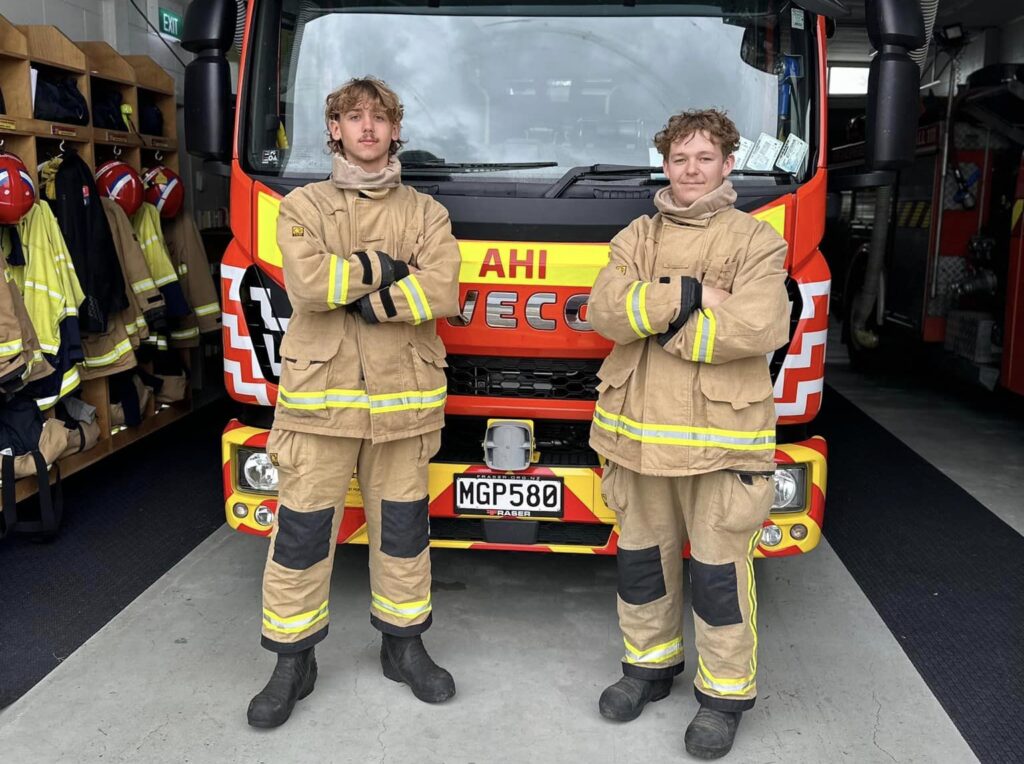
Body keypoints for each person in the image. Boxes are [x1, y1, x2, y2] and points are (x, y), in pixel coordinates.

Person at [247, 76, 462, 728]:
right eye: (352, 118)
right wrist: (391, 271)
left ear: (396, 131)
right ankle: (293, 659)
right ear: (334, 130)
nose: (367, 128)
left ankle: (404, 646)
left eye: (379, 118)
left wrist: (357, 283)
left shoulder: (427, 212)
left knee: (402, 534)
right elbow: (309, 286)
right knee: (302, 537)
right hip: (319, 408)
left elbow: (444, 290)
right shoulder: (300, 205)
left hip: (403, 406)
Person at [587, 109, 789, 759]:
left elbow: (761, 324)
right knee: (643, 565)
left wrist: (657, 315)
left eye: (705, 158)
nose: (691, 170)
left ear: (729, 164)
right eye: (679, 159)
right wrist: (697, 293)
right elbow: (603, 311)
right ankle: (648, 668)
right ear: (664, 166)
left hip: (721, 442)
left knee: (718, 576)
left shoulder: (757, 240)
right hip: (637, 439)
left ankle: (723, 697)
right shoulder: (635, 236)